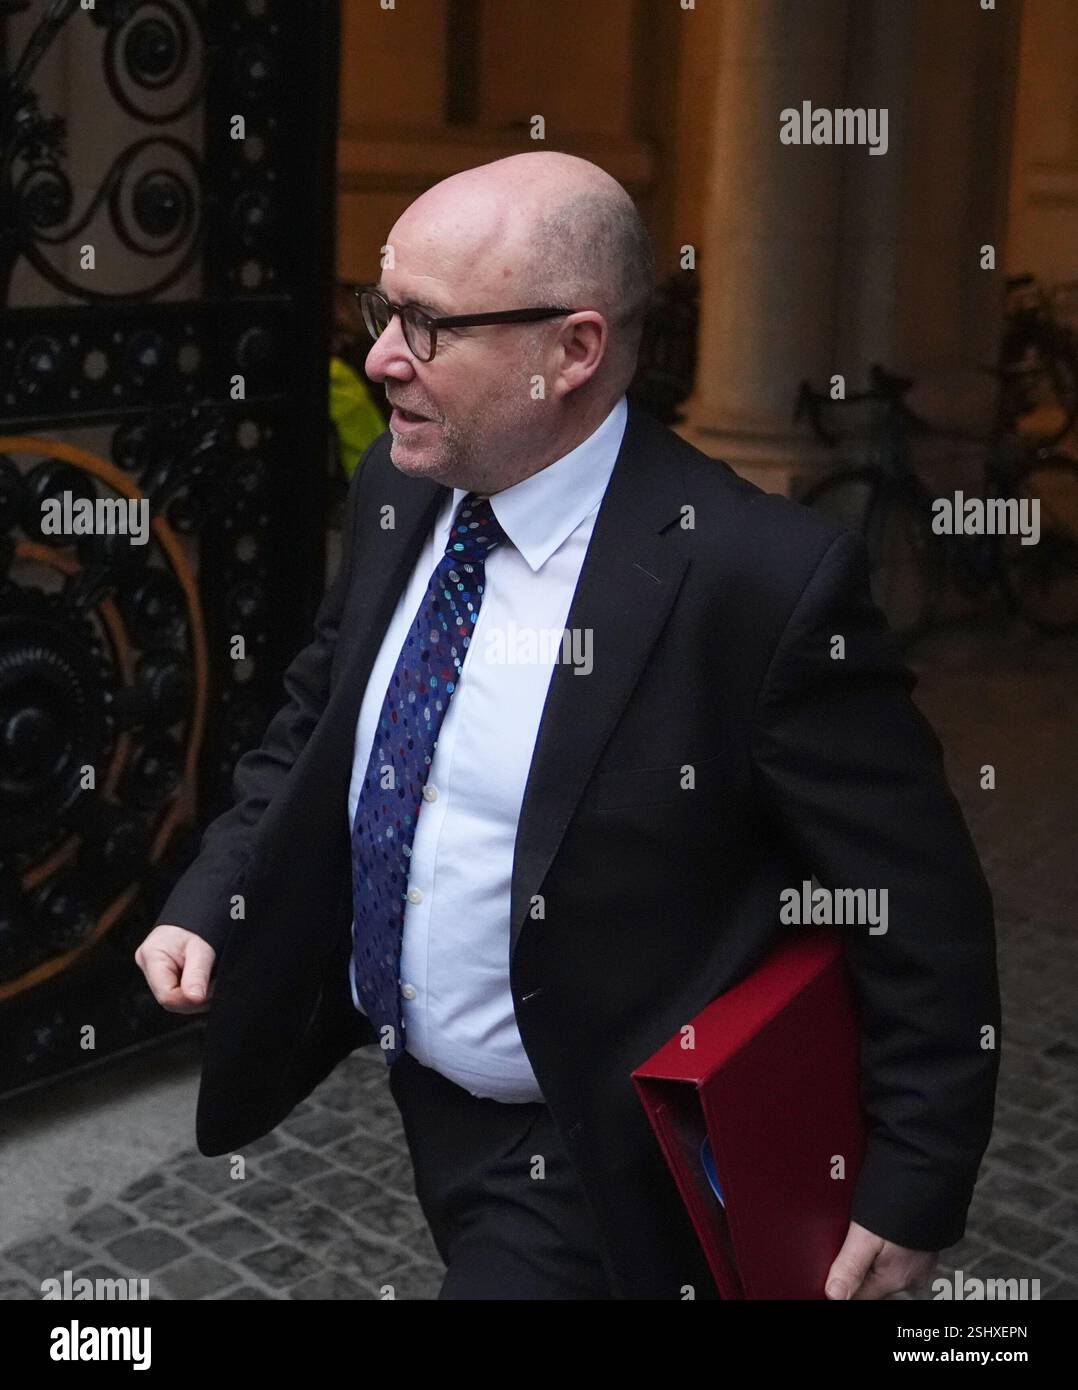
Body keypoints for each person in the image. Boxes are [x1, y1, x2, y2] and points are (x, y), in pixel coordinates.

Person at [134, 150, 1001, 1301]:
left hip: (599, 1152)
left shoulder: (757, 581)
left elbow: (914, 897)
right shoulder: (403, 486)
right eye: (379, 307)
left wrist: (914, 1175)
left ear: (573, 350)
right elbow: (324, 710)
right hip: (430, 1103)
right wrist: (215, 892)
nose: (379, 355)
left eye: (427, 325)